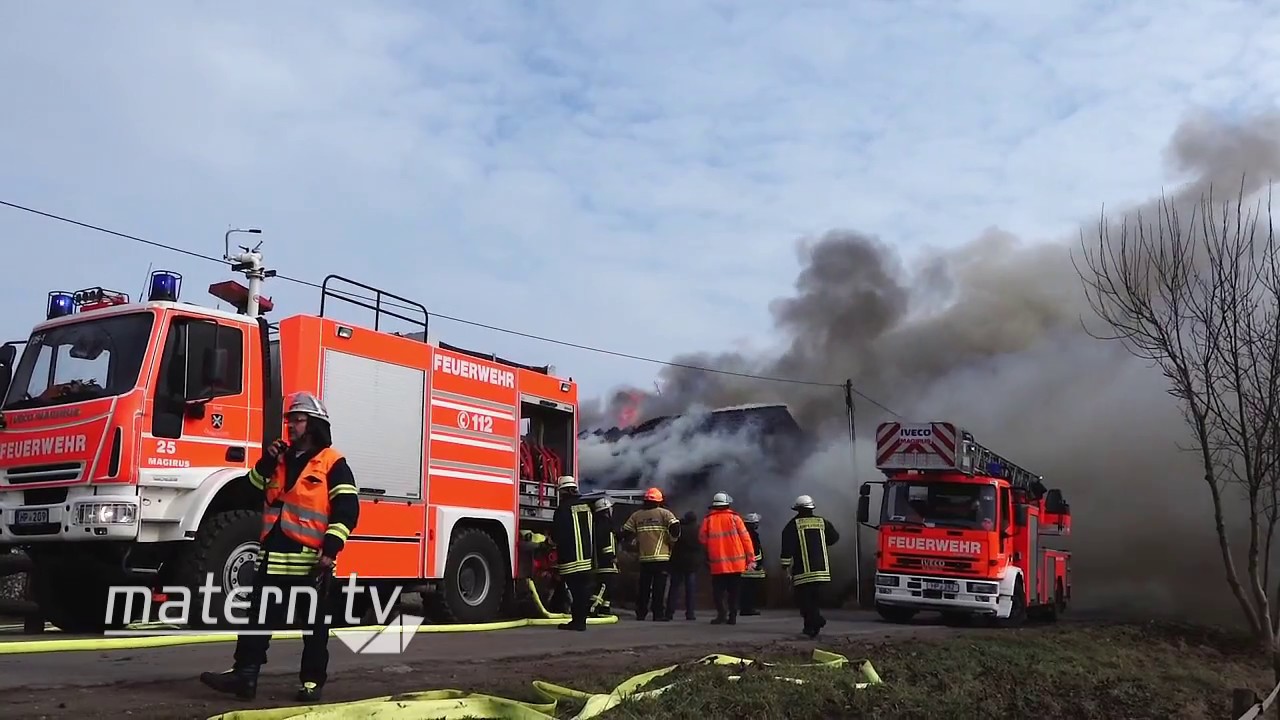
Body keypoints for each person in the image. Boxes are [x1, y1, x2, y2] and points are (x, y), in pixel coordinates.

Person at [200, 392, 360, 702]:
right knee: (256, 623)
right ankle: (245, 677)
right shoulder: (280, 460)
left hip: (311, 562)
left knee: (314, 629)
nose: (290, 426)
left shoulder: (333, 463)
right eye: (289, 420)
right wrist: (266, 462)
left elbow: (347, 509)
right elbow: (246, 494)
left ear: (312, 425)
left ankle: (312, 683)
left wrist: (330, 549)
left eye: (297, 420)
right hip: (271, 558)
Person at [779, 494, 840, 638]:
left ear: (797, 509)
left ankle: (817, 621)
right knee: (813, 600)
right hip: (821, 569)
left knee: (803, 601)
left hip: (803, 572)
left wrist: (785, 565)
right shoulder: (822, 522)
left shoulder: (793, 525)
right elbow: (835, 537)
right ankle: (810, 628)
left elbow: (787, 546)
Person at [619, 487, 681, 621]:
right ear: (659, 501)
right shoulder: (665, 513)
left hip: (644, 557)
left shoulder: (637, 515)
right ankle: (658, 614)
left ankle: (641, 613)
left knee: (643, 588)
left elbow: (625, 533)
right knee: (659, 588)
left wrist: (627, 545)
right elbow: (675, 528)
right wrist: (672, 541)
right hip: (661, 557)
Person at [698, 491, 754, 625]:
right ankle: (732, 616)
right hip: (736, 564)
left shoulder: (708, 520)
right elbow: (746, 539)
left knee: (718, 592)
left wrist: (713, 548)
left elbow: (702, 539)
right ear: (727, 504)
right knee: (733, 592)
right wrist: (750, 558)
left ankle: (721, 615)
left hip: (717, 565)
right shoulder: (735, 518)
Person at [551, 475, 596, 631]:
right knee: (583, 592)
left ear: (562, 492)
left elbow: (558, 535)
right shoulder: (587, 506)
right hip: (587, 558)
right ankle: (580, 621)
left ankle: (577, 622)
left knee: (575, 592)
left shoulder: (563, 509)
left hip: (571, 559)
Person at [664, 510, 702, 621]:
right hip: (693, 564)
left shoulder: (680, 529)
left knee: (674, 588)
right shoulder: (699, 530)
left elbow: (672, 541)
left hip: (678, 563)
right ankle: (690, 613)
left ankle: (669, 613)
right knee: (690, 589)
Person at [589, 496, 619, 617]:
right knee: (604, 585)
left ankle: (604, 608)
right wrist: (611, 556)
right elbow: (604, 542)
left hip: (604, 560)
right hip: (606, 561)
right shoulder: (604, 524)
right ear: (606, 510)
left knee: (609, 586)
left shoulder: (599, 524)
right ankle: (592, 606)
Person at [740, 512, 765, 616]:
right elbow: (755, 552)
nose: (757, 525)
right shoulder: (752, 535)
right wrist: (758, 563)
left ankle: (746, 608)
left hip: (745, 566)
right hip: (751, 567)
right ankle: (748, 609)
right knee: (750, 590)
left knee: (746, 589)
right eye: (755, 523)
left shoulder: (743, 533)